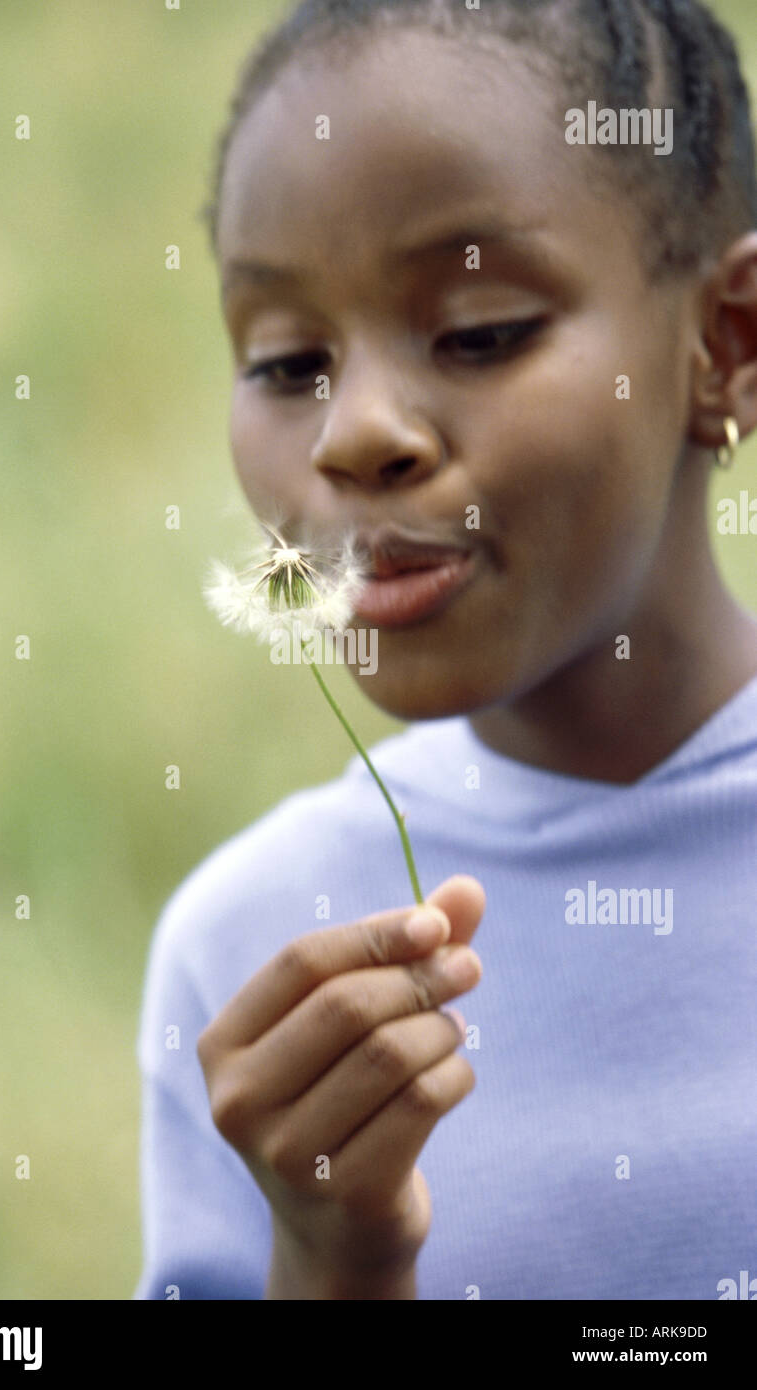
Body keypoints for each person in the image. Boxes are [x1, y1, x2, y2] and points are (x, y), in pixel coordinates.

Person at [134, 0, 757, 1300]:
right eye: (287, 358)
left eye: (478, 331)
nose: (353, 431)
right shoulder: (245, 948)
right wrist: (332, 1259)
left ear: (723, 345)